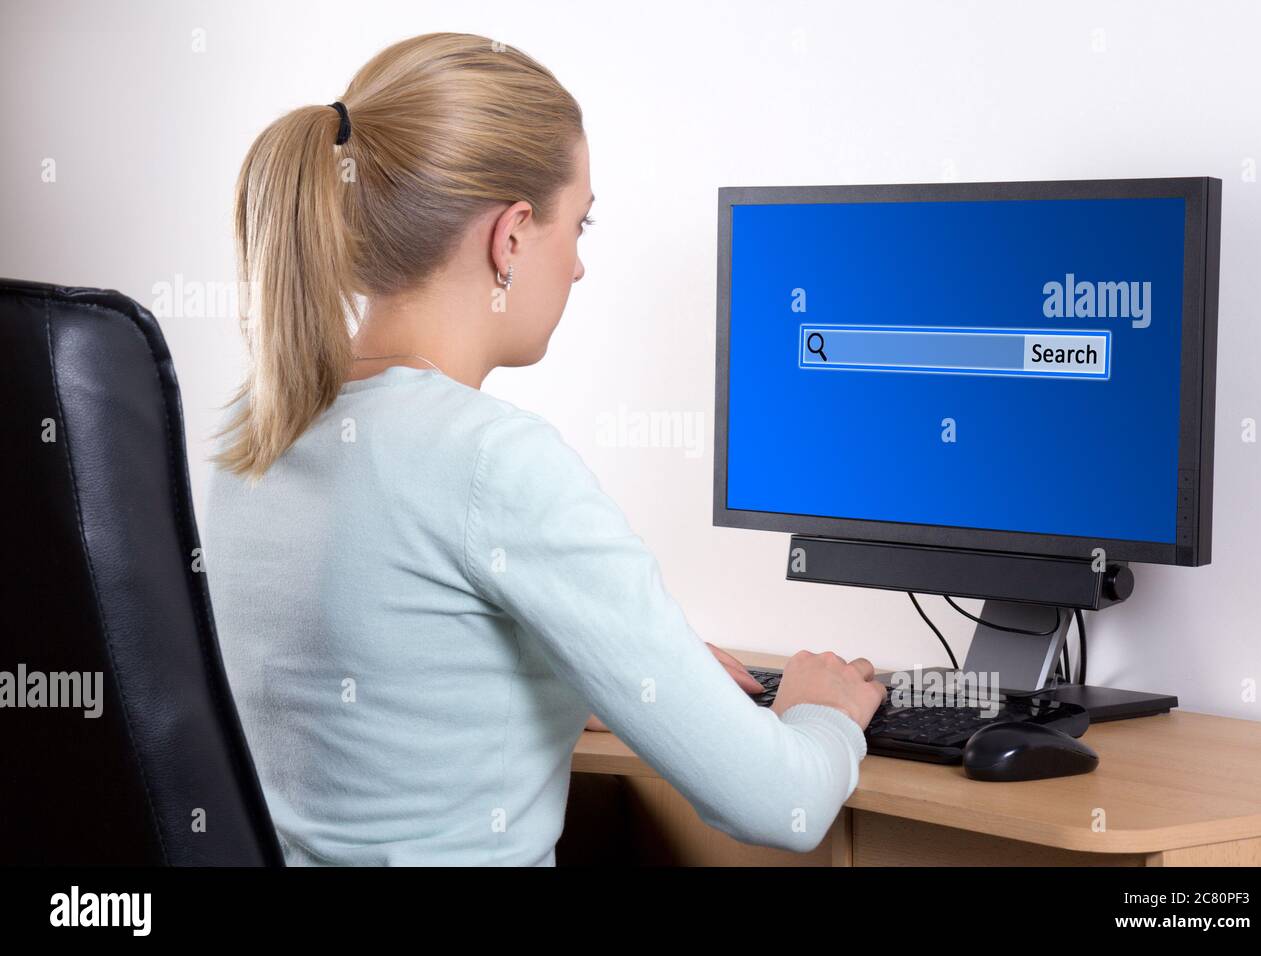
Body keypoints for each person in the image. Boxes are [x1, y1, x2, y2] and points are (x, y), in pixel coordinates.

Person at [203, 31, 885, 866]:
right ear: (513, 236)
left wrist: (582, 674)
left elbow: (387, 684)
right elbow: (781, 804)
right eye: (580, 222)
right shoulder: (491, 462)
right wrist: (820, 710)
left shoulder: (254, 429)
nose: (581, 266)